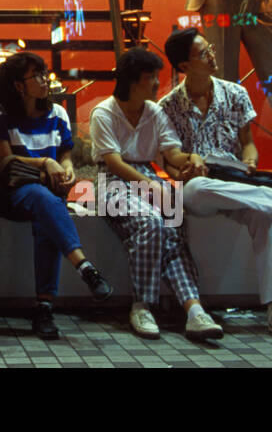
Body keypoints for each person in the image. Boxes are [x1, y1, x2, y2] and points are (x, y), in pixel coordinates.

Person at [159, 29, 272, 345]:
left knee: (264, 215)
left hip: (239, 180)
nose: (212, 54)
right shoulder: (167, 106)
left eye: (209, 48)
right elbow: (168, 162)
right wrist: (185, 165)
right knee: (197, 188)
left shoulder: (235, 94)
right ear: (184, 65)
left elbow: (248, 145)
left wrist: (250, 162)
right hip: (201, 187)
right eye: (203, 52)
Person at [89, 47, 223, 341]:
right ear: (131, 81)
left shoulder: (154, 111)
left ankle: (194, 309)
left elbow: (171, 152)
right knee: (151, 222)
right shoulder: (104, 112)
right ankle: (142, 304)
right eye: (150, 77)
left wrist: (192, 159)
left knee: (173, 228)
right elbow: (114, 163)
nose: (155, 83)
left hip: (149, 177)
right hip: (113, 182)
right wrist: (153, 188)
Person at [0, 52, 113, 339]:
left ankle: (44, 308)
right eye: (38, 75)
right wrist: (44, 162)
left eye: (45, 72)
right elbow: (6, 162)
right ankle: (84, 266)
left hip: (49, 195)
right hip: (13, 192)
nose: (46, 80)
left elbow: (67, 157)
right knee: (45, 201)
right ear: (19, 85)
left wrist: (67, 171)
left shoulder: (57, 113)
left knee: (47, 214)